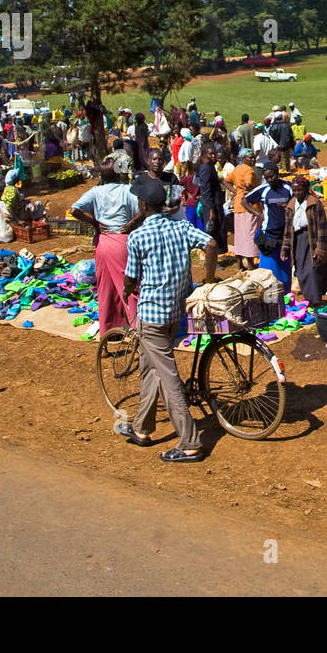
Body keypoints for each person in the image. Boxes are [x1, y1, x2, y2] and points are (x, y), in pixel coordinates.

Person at [118, 175, 213, 463]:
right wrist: (207, 279)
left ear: (144, 206)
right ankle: (141, 428)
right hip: (175, 312)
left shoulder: (138, 236)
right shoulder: (181, 227)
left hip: (151, 315)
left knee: (169, 378)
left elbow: (131, 278)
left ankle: (189, 441)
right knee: (151, 369)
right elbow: (210, 244)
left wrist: (125, 290)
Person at [70, 158, 143, 335]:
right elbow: (144, 209)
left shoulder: (96, 191)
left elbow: (74, 209)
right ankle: (139, 331)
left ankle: (108, 331)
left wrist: (94, 223)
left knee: (106, 290)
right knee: (130, 287)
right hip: (121, 243)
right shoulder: (127, 190)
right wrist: (132, 223)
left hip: (103, 243)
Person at [281, 175, 327, 306]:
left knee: (313, 269)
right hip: (298, 241)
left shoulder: (314, 204)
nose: (297, 193)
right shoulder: (290, 205)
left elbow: (322, 228)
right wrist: (285, 248)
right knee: (301, 271)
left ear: (306, 189)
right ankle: (311, 299)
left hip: (312, 239)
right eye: (294, 190)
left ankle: (315, 300)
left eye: (300, 190)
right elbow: (288, 230)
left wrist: (321, 248)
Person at [243, 161, 294, 290]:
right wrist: (258, 214)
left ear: (278, 174)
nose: (270, 180)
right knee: (268, 272)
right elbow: (244, 201)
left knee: (284, 269)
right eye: (267, 178)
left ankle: (286, 296)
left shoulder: (288, 188)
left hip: (284, 235)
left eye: (272, 176)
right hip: (269, 235)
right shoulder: (264, 189)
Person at [193, 143, 227, 282]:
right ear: (204, 154)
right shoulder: (206, 169)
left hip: (214, 204)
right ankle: (211, 262)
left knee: (216, 233)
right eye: (211, 153)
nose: (214, 156)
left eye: (214, 153)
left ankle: (213, 260)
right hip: (211, 206)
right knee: (211, 234)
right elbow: (206, 191)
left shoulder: (209, 167)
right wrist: (211, 210)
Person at [227, 150, 259, 270]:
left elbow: (226, 181)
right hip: (250, 206)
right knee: (250, 235)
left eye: (254, 157)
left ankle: (239, 265)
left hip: (238, 205)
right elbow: (248, 184)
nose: (253, 160)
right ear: (244, 158)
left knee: (240, 236)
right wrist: (255, 193)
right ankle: (250, 265)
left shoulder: (238, 168)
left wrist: (236, 192)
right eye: (250, 158)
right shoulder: (249, 170)